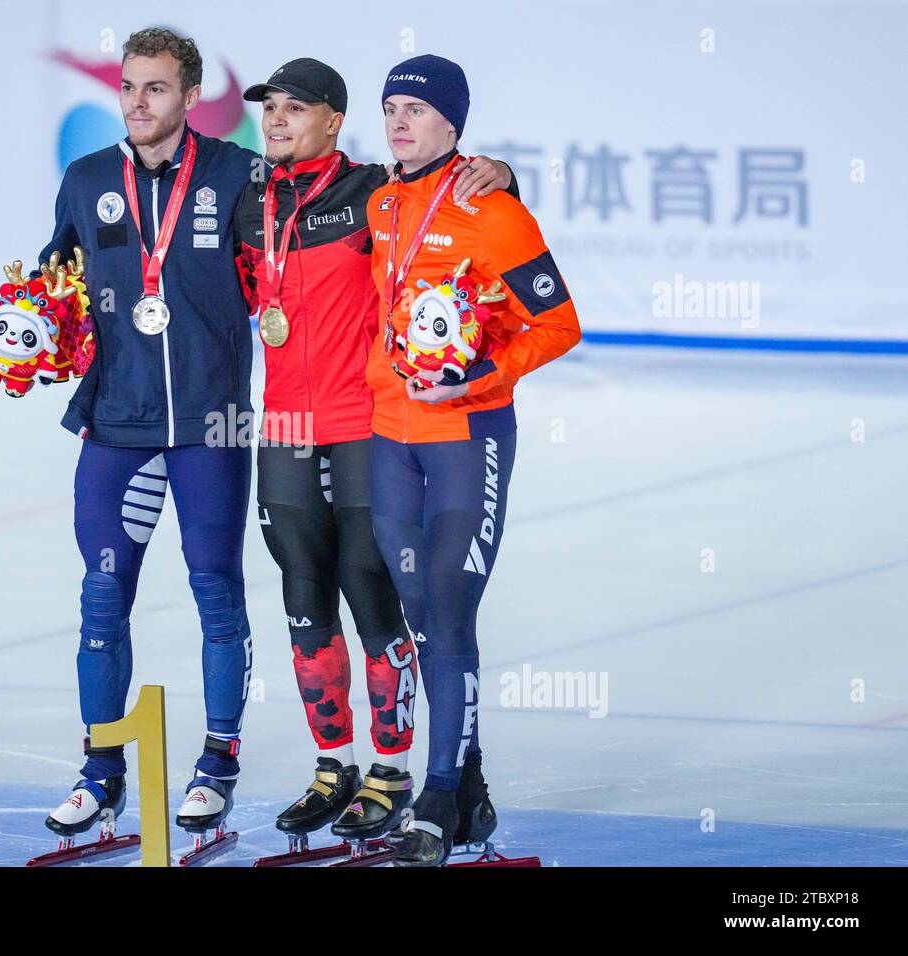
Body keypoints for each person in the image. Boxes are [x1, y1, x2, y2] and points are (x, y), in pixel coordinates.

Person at [232, 58, 519, 849]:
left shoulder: (372, 193)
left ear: (334, 120)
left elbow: (458, 207)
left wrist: (506, 174)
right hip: (284, 422)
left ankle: (394, 772)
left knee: (372, 590)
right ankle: (335, 765)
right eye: (270, 109)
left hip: (366, 421)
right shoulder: (246, 199)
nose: (279, 120)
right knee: (301, 592)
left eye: (298, 108)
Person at [35, 27, 257, 844]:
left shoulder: (238, 174)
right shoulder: (88, 178)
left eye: (155, 87)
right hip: (116, 426)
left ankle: (217, 765)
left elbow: (309, 249)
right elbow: (51, 282)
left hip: (211, 424)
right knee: (101, 598)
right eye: (128, 85)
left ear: (191, 97)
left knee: (216, 595)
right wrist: (22, 322)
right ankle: (101, 772)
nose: (136, 100)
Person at [363, 54, 581, 865]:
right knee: (423, 621)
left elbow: (558, 325)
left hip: (466, 439)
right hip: (391, 436)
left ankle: (438, 797)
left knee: (449, 617)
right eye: (390, 107)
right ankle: (472, 791)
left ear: (454, 124)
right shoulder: (384, 203)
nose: (399, 121)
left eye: (416, 109)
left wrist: (484, 378)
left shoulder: (491, 209)